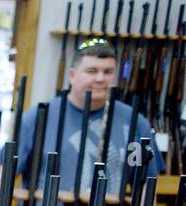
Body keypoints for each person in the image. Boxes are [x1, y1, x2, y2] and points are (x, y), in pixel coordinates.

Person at [14, 38, 164, 195]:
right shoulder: (38, 117)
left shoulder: (135, 123)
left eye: (108, 72)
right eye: (92, 71)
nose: (100, 79)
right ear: (72, 75)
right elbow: (4, 172)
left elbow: (145, 186)